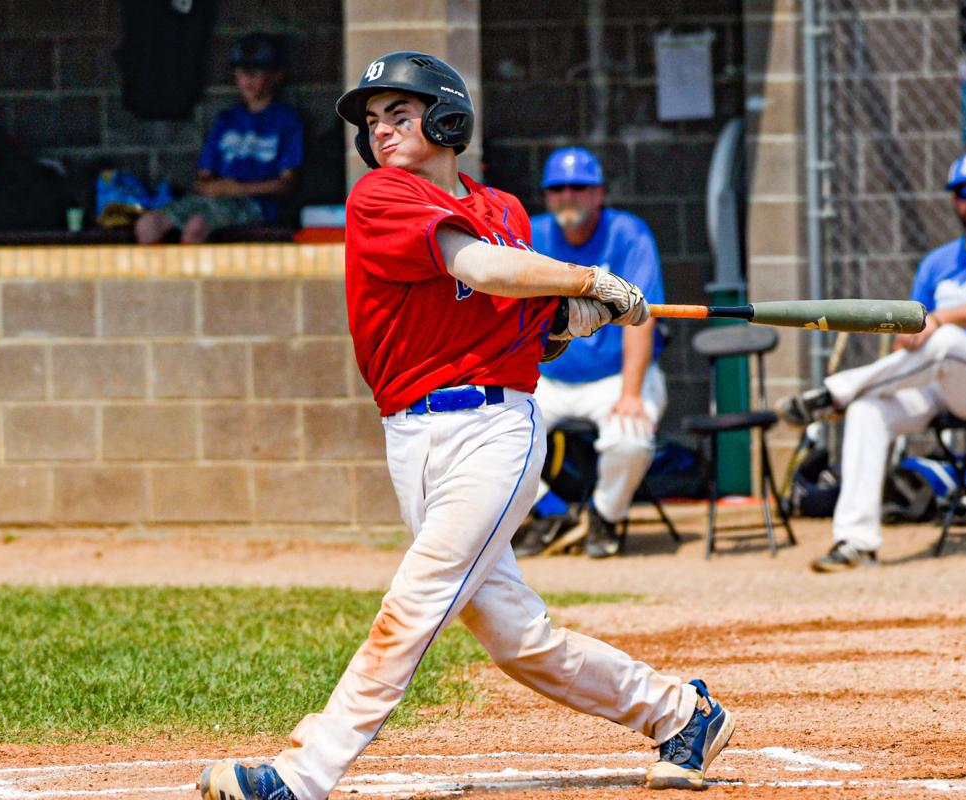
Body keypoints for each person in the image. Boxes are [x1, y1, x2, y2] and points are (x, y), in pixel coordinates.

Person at [196, 51, 734, 800]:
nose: (382, 131)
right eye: (373, 120)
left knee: (415, 603)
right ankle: (680, 713)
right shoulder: (380, 198)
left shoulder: (508, 209)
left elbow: (513, 322)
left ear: (449, 119)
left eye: (400, 114)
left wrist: (568, 322)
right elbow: (480, 270)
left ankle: (301, 774)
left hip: (492, 434)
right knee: (519, 641)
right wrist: (588, 283)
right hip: (410, 439)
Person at [777, 150, 966, 572]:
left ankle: (835, 391)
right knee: (869, 410)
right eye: (963, 192)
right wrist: (907, 338)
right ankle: (855, 541)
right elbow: (911, 334)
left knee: (945, 339)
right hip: (940, 386)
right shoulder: (937, 263)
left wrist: (936, 322)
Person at [512, 147, 667, 559]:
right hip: (548, 376)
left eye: (579, 187)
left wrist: (631, 393)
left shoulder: (628, 233)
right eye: (557, 188)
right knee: (490, 437)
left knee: (630, 439)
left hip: (617, 375)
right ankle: (550, 513)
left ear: (598, 193)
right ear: (547, 196)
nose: (568, 196)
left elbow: (643, 318)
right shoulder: (532, 234)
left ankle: (605, 516)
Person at [135, 32, 303, 244]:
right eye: (242, 72)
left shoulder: (287, 121)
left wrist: (239, 189)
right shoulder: (227, 120)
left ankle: (192, 278)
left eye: (256, 71)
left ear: (277, 75)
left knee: (195, 227)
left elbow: (286, 183)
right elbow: (203, 177)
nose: (247, 79)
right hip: (212, 199)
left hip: (254, 204)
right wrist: (214, 188)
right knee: (147, 224)